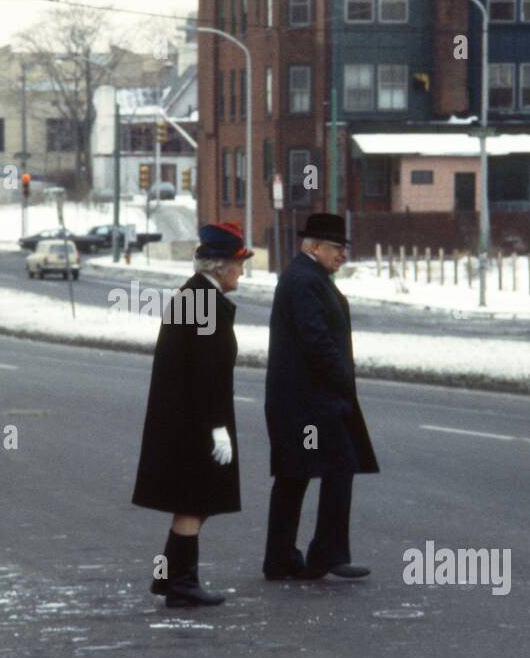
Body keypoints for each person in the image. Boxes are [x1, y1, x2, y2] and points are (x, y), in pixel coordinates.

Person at [132, 222, 251, 607]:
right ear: (220, 267)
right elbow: (205, 372)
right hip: (194, 420)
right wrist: (217, 427)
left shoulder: (198, 296)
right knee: (195, 500)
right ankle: (182, 584)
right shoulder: (203, 303)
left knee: (197, 498)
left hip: (185, 417)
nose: (242, 271)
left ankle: (167, 577)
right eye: (238, 264)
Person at [263, 213, 379, 581]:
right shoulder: (305, 281)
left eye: (345, 248)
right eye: (336, 247)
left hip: (303, 400)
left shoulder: (305, 276)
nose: (343, 254)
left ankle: (281, 559)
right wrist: (342, 378)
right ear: (312, 246)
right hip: (310, 402)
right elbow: (316, 340)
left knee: (295, 475)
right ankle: (324, 554)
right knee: (335, 465)